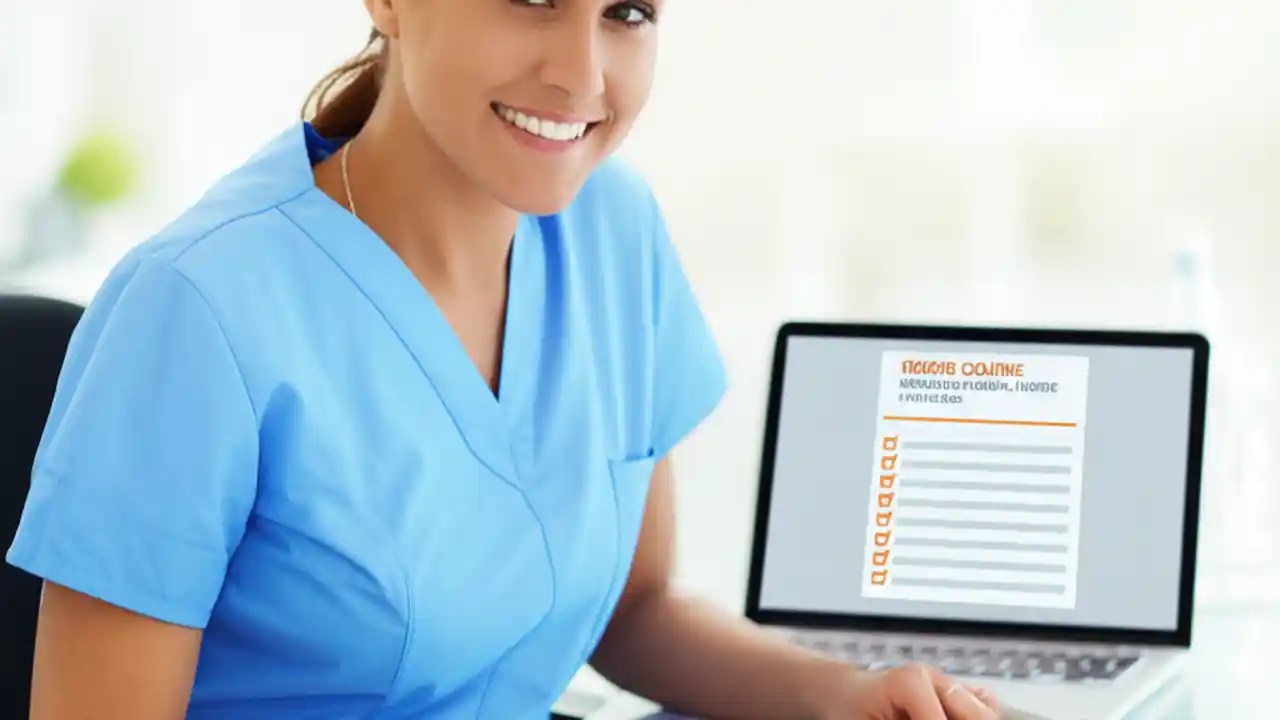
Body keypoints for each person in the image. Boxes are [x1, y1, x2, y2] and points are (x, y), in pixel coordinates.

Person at [7, 1, 999, 718]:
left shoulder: (615, 230)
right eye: (530, 0)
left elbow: (635, 610)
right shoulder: (197, 309)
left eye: (626, 13)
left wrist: (852, 699)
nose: (581, 75)